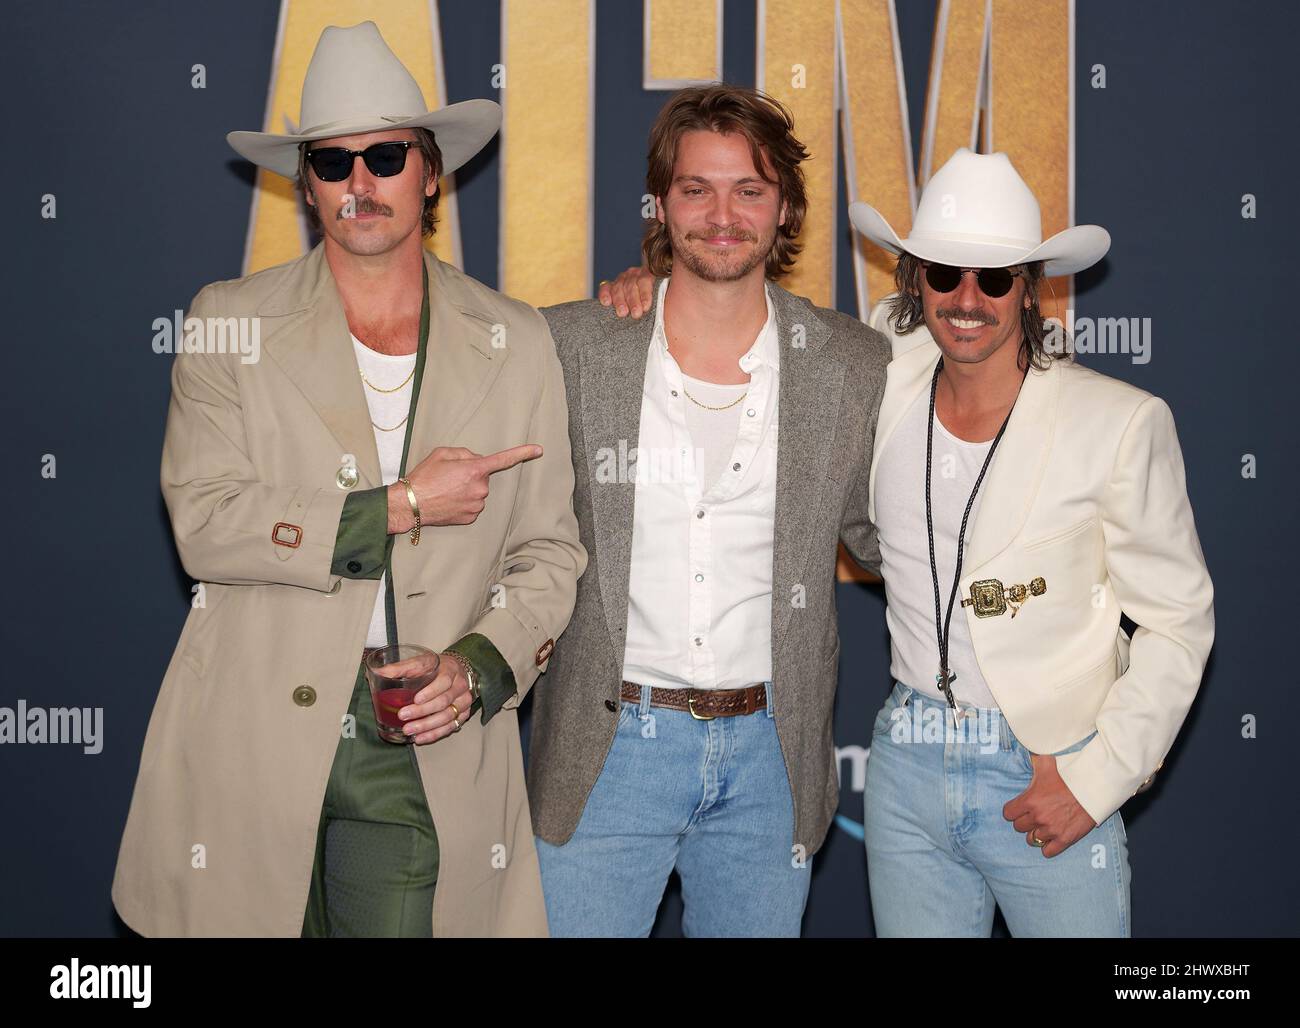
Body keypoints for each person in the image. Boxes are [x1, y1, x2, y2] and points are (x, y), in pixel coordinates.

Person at [111, 21, 585, 937]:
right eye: (332, 162)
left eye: (384, 154)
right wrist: (402, 505)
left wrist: (479, 666)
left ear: (431, 169)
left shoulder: (517, 340)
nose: (359, 183)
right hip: (249, 734)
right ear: (307, 184)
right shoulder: (226, 321)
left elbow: (549, 551)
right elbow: (205, 523)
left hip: (419, 744)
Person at [529, 84, 890, 937]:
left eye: (749, 190)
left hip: (772, 757)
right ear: (661, 203)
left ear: (787, 206)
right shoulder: (573, 346)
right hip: (606, 748)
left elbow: (900, 537)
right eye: (696, 188)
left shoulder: (851, 363)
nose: (722, 215)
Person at [849, 147, 1214, 936]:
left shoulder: (1116, 422)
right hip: (907, 761)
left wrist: (1098, 779)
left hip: (1045, 763)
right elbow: (757, 335)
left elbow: (1180, 620)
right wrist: (653, 285)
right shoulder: (882, 375)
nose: (968, 298)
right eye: (944, 273)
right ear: (914, 281)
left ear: (1031, 288)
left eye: (996, 277)